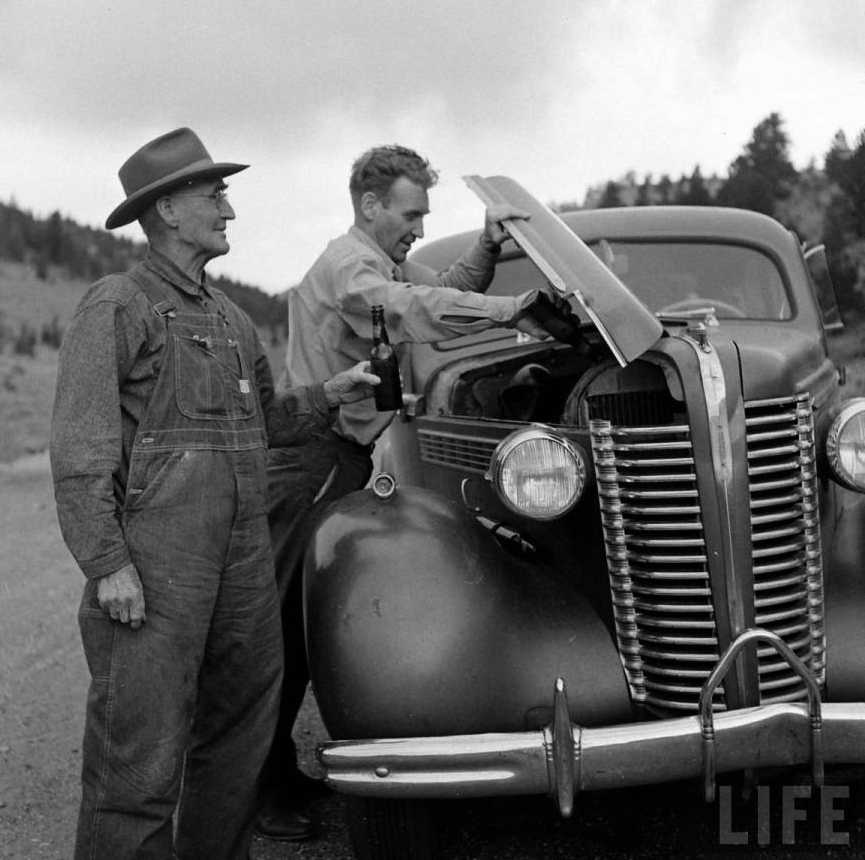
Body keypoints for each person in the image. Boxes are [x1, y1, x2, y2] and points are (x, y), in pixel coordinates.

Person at [49, 127, 377, 860]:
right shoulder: (118, 303)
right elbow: (80, 448)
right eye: (214, 194)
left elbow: (264, 423)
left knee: (238, 741)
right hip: (158, 572)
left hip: (242, 570)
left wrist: (328, 394)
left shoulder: (230, 320)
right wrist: (107, 563)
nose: (229, 210)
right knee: (137, 756)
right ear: (167, 209)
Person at [256, 144, 572, 840]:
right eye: (410, 213)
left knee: (310, 621)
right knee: (281, 626)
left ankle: (273, 776)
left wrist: (488, 256)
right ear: (370, 206)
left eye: (424, 214)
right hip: (314, 459)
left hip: (346, 454)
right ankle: (260, 791)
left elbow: (436, 286)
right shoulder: (351, 267)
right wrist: (510, 308)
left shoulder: (382, 264)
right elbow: (414, 306)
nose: (419, 227)